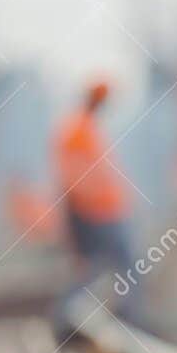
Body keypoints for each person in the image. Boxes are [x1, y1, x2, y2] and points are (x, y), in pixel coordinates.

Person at [52, 78, 134, 321]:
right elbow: (74, 177)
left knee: (98, 269)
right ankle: (128, 323)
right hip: (96, 214)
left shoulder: (85, 127)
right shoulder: (76, 129)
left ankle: (70, 318)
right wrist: (96, 200)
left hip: (101, 212)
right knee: (123, 267)